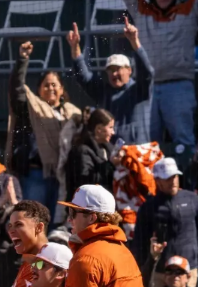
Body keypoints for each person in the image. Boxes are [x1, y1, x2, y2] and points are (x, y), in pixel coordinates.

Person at [124, 0, 198, 171]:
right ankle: (149, 191)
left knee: (185, 143)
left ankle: (188, 187)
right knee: (146, 145)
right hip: (146, 89)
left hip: (179, 84)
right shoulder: (141, 9)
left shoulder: (190, 7)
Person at [8, 41, 81, 213]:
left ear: (62, 89)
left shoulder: (72, 113)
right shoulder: (31, 108)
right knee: (34, 218)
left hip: (62, 176)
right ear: (39, 90)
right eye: (46, 85)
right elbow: (16, 88)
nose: (50, 88)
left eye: (54, 84)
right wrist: (22, 60)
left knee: (58, 220)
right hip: (36, 175)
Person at [66, 18, 153, 145]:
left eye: (118, 69)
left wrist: (134, 41)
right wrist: (75, 47)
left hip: (138, 150)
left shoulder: (139, 89)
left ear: (129, 70)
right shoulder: (102, 91)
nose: (114, 74)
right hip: (111, 152)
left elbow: (146, 72)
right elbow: (83, 76)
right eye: (110, 70)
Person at [133, 157, 198, 275]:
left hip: (190, 269)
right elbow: (140, 242)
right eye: (167, 178)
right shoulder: (148, 207)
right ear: (157, 180)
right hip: (161, 272)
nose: (172, 181)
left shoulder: (192, 199)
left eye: (174, 177)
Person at [65, 109, 116, 199]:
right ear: (99, 129)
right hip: (85, 207)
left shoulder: (108, 149)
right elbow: (86, 183)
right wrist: (111, 164)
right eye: (110, 127)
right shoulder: (82, 151)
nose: (113, 132)